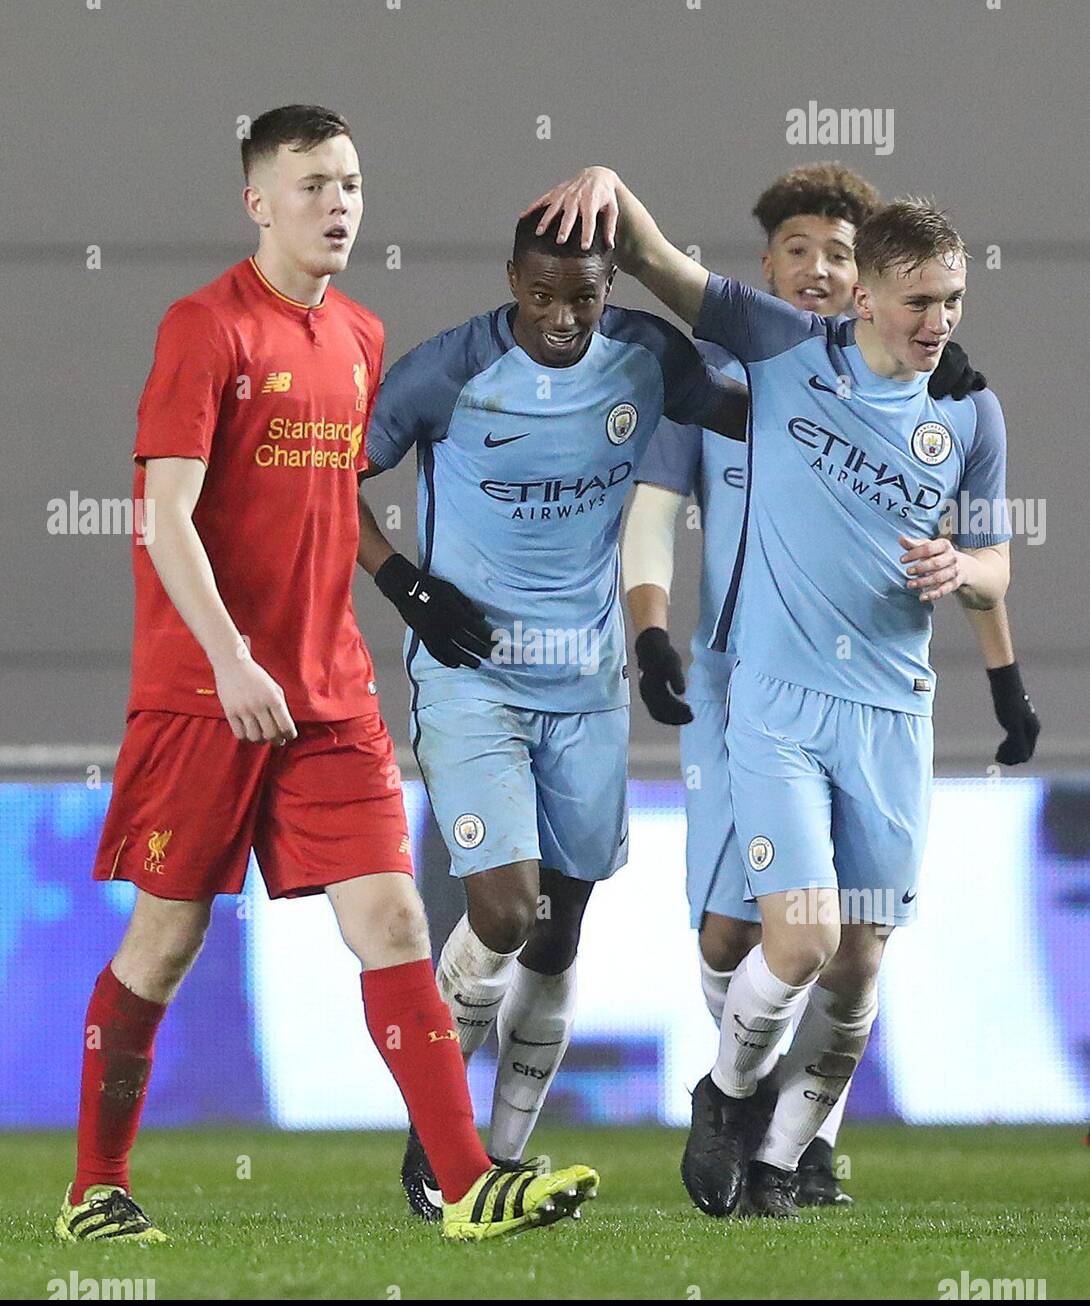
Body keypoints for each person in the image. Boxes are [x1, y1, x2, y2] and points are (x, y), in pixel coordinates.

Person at [56, 106, 597, 1246]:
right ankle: (94, 1188)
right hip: (211, 693)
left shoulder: (356, 333)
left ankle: (465, 1187)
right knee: (166, 942)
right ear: (258, 201)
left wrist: (394, 590)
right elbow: (164, 517)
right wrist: (232, 657)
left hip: (328, 696)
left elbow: (327, 500)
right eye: (309, 185)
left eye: (349, 182)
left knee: (398, 918)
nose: (336, 204)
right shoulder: (203, 328)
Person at [526, 167, 1012, 1217]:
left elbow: (992, 567)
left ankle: (793, 1155)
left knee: (855, 957)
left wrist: (962, 573)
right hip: (755, 688)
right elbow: (655, 266)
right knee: (758, 935)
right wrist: (610, 186)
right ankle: (730, 1096)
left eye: (950, 302)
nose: (937, 320)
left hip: (889, 706)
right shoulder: (761, 356)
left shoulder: (966, 408)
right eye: (920, 299)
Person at [357, 211, 748, 1218]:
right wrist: (405, 583)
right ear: (511, 282)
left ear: (609, 285)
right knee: (500, 909)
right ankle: (438, 1142)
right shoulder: (445, 372)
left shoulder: (648, 357)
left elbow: (753, 409)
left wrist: (885, 381)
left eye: (584, 295)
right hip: (469, 676)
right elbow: (326, 481)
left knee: (557, 932)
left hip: (585, 685)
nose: (564, 316)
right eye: (543, 295)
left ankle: (496, 1159)